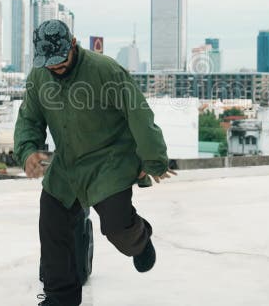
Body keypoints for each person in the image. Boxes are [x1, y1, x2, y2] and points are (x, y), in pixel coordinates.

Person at [15, 19, 175, 306]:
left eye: (60, 61)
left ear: (73, 45)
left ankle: (139, 240)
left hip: (109, 162)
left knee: (117, 228)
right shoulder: (40, 76)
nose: (55, 67)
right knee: (52, 224)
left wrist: (154, 159)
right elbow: (29, 118)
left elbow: (139, 114)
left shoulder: (106, 70)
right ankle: (60, 298)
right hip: (66, 165)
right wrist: (27, 151)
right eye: (48, 63)